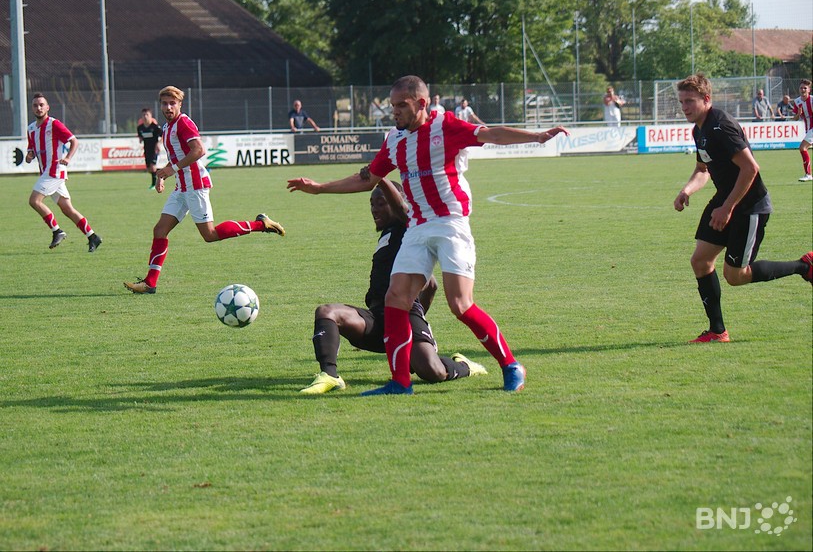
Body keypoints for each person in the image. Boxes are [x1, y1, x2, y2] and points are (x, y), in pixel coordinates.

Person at [288, 75, 569, 395]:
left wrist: (537, 136)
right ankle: (400, 382)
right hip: (419, 227)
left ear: (421, 103)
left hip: (450, 223)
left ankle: (511, 365)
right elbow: (368, 178)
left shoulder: (445, 126)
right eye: (392, 105)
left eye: (401, 105)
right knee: (395, 299)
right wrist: (320, 189)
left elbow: (491, 134)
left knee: (460, 304)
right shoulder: (395, 139)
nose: (394, 112)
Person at [300, 176, 488, 394]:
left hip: (404, 314)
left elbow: (432, 285)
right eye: (372, 204)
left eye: (381, 203)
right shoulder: (388, 234)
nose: (374, 209)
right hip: (377, 317)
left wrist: (380, 177)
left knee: (431, 371)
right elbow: (431, 284)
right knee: (327, 312)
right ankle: (330, 376)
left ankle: (463, 365)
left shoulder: (407, 226)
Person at [672, 74, 812, 343]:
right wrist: (686, 190)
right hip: (725, 200)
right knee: (700, 262)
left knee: (735, 276)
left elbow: (750, 169)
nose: (685, 107)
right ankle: (717, 331)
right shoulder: (699, 130)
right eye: (681, 102)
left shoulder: (720, 127)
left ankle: (803, 266)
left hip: (749, 206)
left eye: (690, 101)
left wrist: (727, 208)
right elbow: (703, 169)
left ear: (706, 100)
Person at [124, 86, 285, 294]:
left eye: (172, 103)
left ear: (180, 105)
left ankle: (260, 224)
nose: (168, 107)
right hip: (181, 187)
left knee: (210, 234)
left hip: (195, 186)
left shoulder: (183, 123)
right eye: (164, 103)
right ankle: (150, 283)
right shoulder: (166, 127)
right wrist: (161, 176)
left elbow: (199, 150)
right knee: (160, 230)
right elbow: (175, 157)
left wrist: (170, 169)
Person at [25, 93, 103, 252]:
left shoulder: (54, 124)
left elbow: (74, 141)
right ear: (32, 108)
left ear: (47, 107)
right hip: (46, 173)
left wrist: (68, 157)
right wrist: (29, 155)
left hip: (54, 171)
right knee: (67, 209)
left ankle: (57, 231)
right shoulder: (31, 128)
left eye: (41, 105)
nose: (39, 108)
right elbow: (31, 150)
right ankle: (93, 236)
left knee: (34, 201)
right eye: (35, 105)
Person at [792, 78, 813, 182]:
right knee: (804, 149)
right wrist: (798, 114)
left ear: (809, 90)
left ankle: (808, 174)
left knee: (802, 148)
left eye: (805, 88)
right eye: (801, 88)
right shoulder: (797, 102)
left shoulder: (812, 100)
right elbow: (794, 119)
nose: (803, 89)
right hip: (808, 129)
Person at [137, 107, 163, 190]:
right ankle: (161, 172)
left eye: (147, 115)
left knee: (152, 167)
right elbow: (140, 136)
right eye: (143, 115)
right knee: (149, 169)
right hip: (146, 149)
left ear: (151, 116)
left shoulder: (155, 127)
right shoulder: (140, 128)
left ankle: (154, 185)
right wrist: (140, 139)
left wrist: (159, 143)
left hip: (154, 149)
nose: (145, 116)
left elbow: (163, 135)